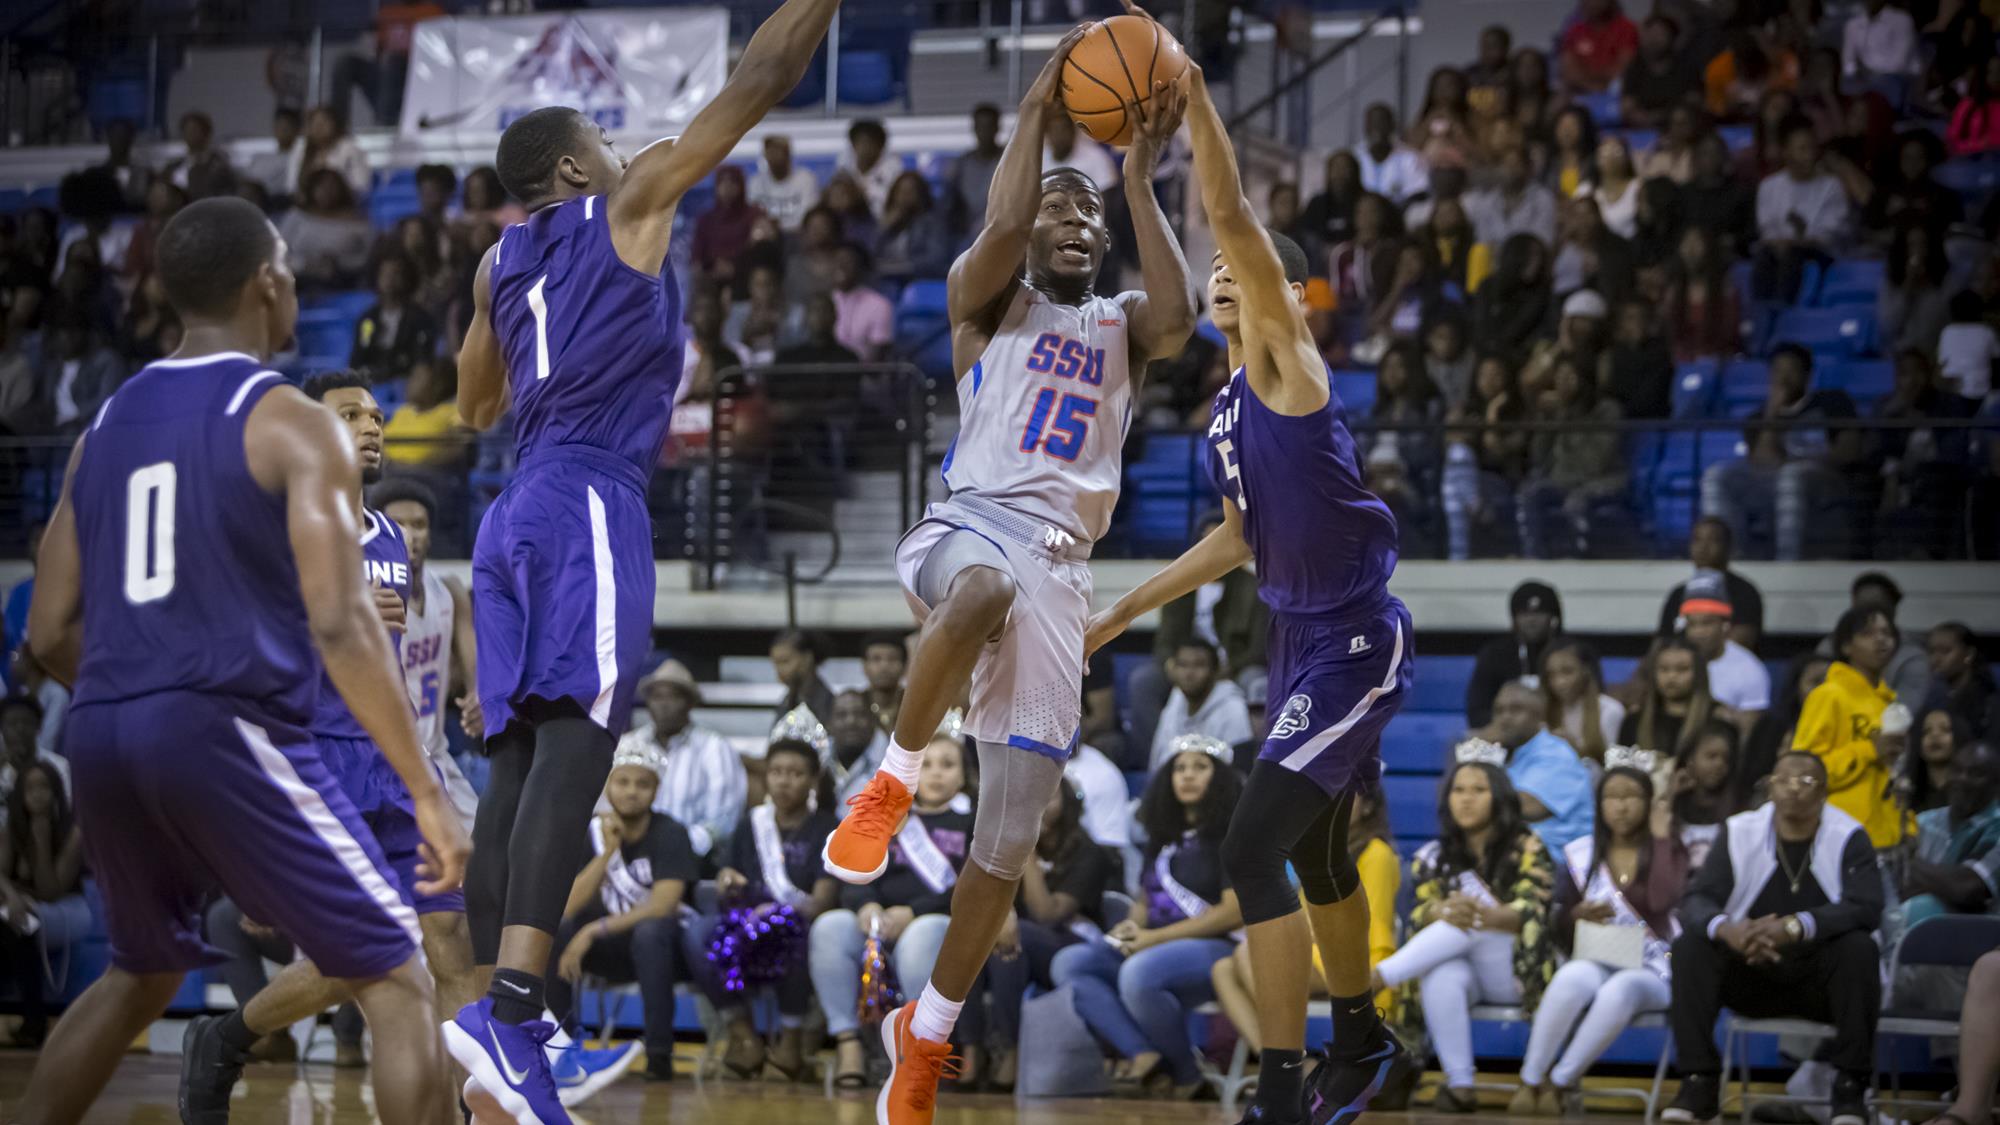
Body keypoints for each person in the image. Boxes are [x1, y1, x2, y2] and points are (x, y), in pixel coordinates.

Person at [445, 0, 844, 1113]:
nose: (628, 153)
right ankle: (517, 1020)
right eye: (608, 143)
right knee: (576, 750)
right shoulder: (624, 201)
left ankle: (500, 1027)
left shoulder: (496, 263)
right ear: (579, 163)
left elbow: (474, 406)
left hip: (512, 506)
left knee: (519, 766)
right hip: (585, 499)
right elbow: (760, 77)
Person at [13, 197, 466, 1124]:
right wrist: (427, 792)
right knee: (400, 975)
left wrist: (136, 698)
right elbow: (344, 625)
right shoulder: (289, 418)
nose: (295, 285)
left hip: (99, 722)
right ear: (267, 282)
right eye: (290, 273)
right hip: (221, 719)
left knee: (142, 972)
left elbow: (47, 628)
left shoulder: (101, 427)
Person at [815, 32, 1196, 1125]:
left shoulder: (1120, 324)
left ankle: (923, 1035)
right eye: (1056, 211)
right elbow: (997, 225)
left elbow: (1174, 321)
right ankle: (888, 778)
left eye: (1089, 219)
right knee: (973, 593)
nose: (1073, 225)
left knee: (1004, 842)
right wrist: (1038, 110)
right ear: (1027, 226)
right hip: (966, 525)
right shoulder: (984, 304)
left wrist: (1131, 176)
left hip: (1062, 573)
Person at [1080, 52, 1418, 1125]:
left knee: (1247, 846)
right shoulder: (1227, 409)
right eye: (1221, 269)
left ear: (1280, 290)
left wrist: (1191, 96)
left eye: (1244, 267)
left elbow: (1225, 208)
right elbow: (1237, 536)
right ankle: (1362, 1041)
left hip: (1355, 636)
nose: (1224, 273)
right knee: (1313, 850)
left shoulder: (1285, 360)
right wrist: (1124, 608)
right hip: (1292, 638)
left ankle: (1284, 1085)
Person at [180, 370, 482, 1119]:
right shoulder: (275, 520)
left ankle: (471, 1102)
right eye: (351, 414)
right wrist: (330, 611)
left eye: (377, 415)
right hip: (313, 755)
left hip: (392, 755)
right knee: (360, 955)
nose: (373, 426)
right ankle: (225, 1035)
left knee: (448, 934)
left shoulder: (384, 533)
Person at [1662, 753, 1883, 1125]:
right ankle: (1699, 1083)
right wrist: (1729, 930)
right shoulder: (1739, 832)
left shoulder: (1849, 836)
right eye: (1784, 780)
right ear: (1770, 787)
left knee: (1860, 947)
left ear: (1825, 792)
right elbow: (1696, 900)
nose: (1794, 789)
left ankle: (1849, 1089)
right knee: (1689, 947)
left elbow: (1866, 907)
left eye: (1806, 781)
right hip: (1750, 973)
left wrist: (1795, 927)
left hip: (1821, 986)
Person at [1048, 737, 1244, 1098]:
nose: (1187, 776)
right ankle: (1145, 1055)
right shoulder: (1163, 835)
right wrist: (1132, 927)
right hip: (1158, 944)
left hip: (1219, 950)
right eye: (1180, 768)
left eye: (1200, 768)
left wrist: (1154, 939)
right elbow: (1145, 899)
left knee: (1139, 973)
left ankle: (1187, 1074)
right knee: (1071, 963)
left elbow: (1233, 913)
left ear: (1220, 778)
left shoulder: (1233, 837)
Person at [1373, 753, 1555, 1113]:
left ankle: (1380, 977)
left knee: (1466, 921)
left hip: (1518, 970)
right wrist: (1441, 910)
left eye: (1478, 790)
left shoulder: (1529, 846)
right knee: (1442, 974)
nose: (1466, 799)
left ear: (1499, 796)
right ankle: (1460, 1085)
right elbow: (1422, 910)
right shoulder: (1435, 855)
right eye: (1458, 790)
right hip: (1466, 966)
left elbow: (1534, 912)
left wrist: (1477, 914)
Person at [1516, 752, 1688, 1113]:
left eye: (1630, 797)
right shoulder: (1583, 853)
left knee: (1619, 990)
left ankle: (1561, 1081)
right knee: (1570, 977)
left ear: (1647, 802)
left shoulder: (1669, 848)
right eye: (1611, 797)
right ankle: (1531, 1080)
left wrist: (1659, 839)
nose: (1620, 807)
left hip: (1656, 970)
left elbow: (1662, 899)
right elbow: (1560, 925)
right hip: (1602, 955)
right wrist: (1577, 914)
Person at [812, 731, 976, 1089]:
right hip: (879, 917)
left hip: (933, 920)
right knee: (829, 927)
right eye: (927, 765)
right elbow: (856, 868)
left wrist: (913, 913)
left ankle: (918, 1052)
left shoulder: (971, 822)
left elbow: (970, 889)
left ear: (965, 774)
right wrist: (865, 902)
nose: (935, 774)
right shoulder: (890, 816)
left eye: (947, 765)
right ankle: (849, 1043)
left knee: (922, 935)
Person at [544, 742, 694, 1088]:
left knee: (651, 932)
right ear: (608, 786)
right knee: (560, 929)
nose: (631, 792)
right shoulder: (593, 834)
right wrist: (607, 852)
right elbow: (568, 906)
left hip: (665, 949)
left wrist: (593, 931)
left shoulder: (671, 833)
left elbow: (663, 905)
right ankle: (563, 1048)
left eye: (642, 784)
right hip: (611, 950)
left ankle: (659, 1054)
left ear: (656, 790)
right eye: (622, 782)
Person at [1211, 787, 1400, 1053]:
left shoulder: (1377, 853)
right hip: (1312, 949)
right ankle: (1286, 1064)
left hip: (1349, 957)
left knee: (1248, 951)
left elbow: (1373, 922)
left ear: (1368, 806)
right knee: (1222, 970)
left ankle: (1285, 1061)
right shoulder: (1320, 849)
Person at [692, 737, 839, 1082]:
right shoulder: (751, 823)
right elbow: (727, 877)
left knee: (792, 932)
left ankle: (790, 1039)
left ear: (813, 780)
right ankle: (742, 1034)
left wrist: (776, 911)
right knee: (697, 932)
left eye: (795, 773)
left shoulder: (827, 827)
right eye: (776, 772)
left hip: (795, 924)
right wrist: (727, 879)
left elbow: (822, 901)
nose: (784, 781)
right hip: (744, 925)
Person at [977, 779, 1116, 1090]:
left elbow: (1047, 913)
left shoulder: (1091, 854)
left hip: (1073, 948)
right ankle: (970, 1048)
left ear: (1066, 801)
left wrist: (1025, 852)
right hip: (1018, 945)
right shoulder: (1002, 845)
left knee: (1018, 936)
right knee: (996, 943)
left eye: (1047, 796)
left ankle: (1010, 1050)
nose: (1035, 804)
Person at [370, 479, 482, 847]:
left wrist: (478, 695)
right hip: (384, 759)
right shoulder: (368, 593)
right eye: (398, 524)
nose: (410, 534)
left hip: (436, 754)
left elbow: (475, 672)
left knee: (482, 853)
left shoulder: (449, 591)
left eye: (419, 524)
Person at [1699, 344, 1862, 562]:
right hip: (1776, 486)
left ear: (1807, 374)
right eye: (1777, 371)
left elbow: (1848, 451)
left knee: (1791, 474)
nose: (1783, 378)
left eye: (1791, 370)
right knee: (1716, 475)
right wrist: (1773, 414)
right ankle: (1731, 558)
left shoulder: (1832, 402)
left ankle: (1788, 561)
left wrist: (1804, 461)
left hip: (1825, 482)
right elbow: (1763, 463)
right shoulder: (1759, 418)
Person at [1795, 605, 1906, 848]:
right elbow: (1803, 771)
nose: (1880, 639)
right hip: (1838, 836)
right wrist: (1869, 751)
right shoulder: (1828, 695)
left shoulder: (1890, 704)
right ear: (1846, 646)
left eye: (1886, 633)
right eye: (1868, 633)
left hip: (1886, 839)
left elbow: (1894, 775)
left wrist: (1906, 825)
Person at [619, 658, 744, 860]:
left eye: (673, 697)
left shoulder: (714, 747)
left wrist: (675, 847)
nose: (664, 705)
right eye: (657, 697)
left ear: (689, 703)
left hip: (693, 858)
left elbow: (722, 820)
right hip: (630, 852)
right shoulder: (629, 744)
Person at [0, 759, 87, 1049]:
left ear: (56, 792)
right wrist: (13, 896)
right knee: (15, 925)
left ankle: (34, 1022)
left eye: (44, 787)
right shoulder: (12, 827)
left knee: (20, 926)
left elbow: (50, 891)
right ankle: (32, 1022)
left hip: (67, 910)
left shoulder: (74, 832)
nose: (37, 794)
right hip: (23, 906)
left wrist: (42, 834)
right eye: (30, 788)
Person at [1900, 741, 2000, 927]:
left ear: (1996, 785)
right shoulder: (1924, 822)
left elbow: (1968, 888)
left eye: (1976, 774)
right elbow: (1897, 883)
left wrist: (1909, 863)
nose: (1963, 778)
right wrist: (1944, 883)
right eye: (1957, 770)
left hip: (1982, 936)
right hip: (1917, 933)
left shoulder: (1996, 826)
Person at [1490, 683, 1597, 851]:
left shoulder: (1556, 753)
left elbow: (1528, 807)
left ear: (1539, 715)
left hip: (1563, 863)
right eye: (1499, 711)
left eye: (1515, 709)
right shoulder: (1510, 753)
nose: (1505, 717)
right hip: (1522, 856)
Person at [1753, 121, 1852, 302]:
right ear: (1786, 152)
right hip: (1778, 249)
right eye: (1802, 149)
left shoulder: (1832, 186)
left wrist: (1800, 240)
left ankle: (1786, 313)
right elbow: (1766, 228)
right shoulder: (1769, 186)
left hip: (1821, 253)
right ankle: (1762, 314)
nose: (1809, 155)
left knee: (1793, 254)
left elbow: (1831, 232)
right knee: (1763, 255)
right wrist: (1782, 242)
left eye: (1812, 148)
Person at [1656, 519, 1765, 650]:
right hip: (1682, 668)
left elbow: (1739, 644)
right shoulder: (1678, 594)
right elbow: (1660, 646)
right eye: (1697, 540)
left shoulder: (1745, 592)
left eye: (1713, 540)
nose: (1703, 548)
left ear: (1728, 547)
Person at [1146, 638, 1254, 769]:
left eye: (1199, 665)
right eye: (1182, 665)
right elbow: (1158, 762)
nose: (1189, 673)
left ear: (1216, 671)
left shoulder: (1233, 709)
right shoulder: (1176, 699)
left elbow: (1238, 771)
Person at [1467, 581, 1563, 728]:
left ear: (1553, 617)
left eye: (1539, 613)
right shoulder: (1494, 653)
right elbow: (1478, 711)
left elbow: (1591, 705)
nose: (1532, 620)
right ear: (1514, 617)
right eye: (1524, 613)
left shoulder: (1571, 651)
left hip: (1561, 733)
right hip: (1506, 734)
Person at [1677, 572, 1770, 719]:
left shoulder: (1748, 668)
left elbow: (1750, 731)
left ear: (1725, 625)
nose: (1699, 632)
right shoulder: (1672, 663)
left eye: (1706, 623)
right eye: (1692, 624)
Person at [1623, 637, 1728, 758]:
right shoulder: (1634, 721)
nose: (1672, 676)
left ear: (1699, 673)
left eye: (1682, 669)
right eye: (1664, 669)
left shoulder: (1717, 719)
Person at [1674, 720, 1748, 868]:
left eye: (1726, 759)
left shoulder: (1740, 807)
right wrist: (1670, 795)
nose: (1719, 764)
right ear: (1690, 759)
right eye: (1711, 756)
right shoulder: (1673, 803)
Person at [1541, 638, 1624, 763]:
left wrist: (1575, 749)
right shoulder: (1542, 710)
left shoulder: (1611, 710)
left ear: (1586, 670)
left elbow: (1613, 766)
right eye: (1551, 675)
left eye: (1567, 672)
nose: (1559, 682)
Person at [1622, 15, 1704, 127]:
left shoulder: (1687, 67)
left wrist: (1659, 117)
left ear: (1672, 38)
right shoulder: (1635, 67)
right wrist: (1637, 116)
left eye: (1660, 34)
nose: (1653, 39)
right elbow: (1627, 104)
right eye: (1649, 34)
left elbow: (1694, 102)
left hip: (1678, 127)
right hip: (1642, 128)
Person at [691, 166, 764, 286]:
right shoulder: (705, 220)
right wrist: (711, 268)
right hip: (711, 276)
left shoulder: (754, 215)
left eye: (732, 181)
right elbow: (697, 257)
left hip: (744, 275)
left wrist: (734, 267)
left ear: (741, 186)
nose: (727, 186)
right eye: (723, 182)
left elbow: (756, 251)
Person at [944, 103, 1004, 242]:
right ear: (974, 128)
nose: (985, 132)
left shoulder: (1009, 161)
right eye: (981, 127)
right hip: (967, 234)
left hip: (1001, 230)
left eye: (989, 126)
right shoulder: (961, 165)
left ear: (997, 128)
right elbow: (949, 206)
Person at [1353, 103, 1430, 205]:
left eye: (1382, 122)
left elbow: (1418, 192)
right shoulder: (1355, 156)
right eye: (1372, 123)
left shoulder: (1411, 158)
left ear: (1393, 125)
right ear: (1365, 127)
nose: (1377, 127)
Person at [290, 105, 371, 201]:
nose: (319, 127)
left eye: (323, 122)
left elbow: (361, 186)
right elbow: (291, 187)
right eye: (314, 123)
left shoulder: (350, 148)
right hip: (307, 206)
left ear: (335, 124)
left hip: (344, 206)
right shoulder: (301, 149)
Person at [1926, 624, 1995, 735]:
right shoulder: (1934, 694)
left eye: (1945, 651)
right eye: (1932, 652)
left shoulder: (1984, 700)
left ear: (1969, 654)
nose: (1935, 660)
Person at [1559, 0, 1640, 92]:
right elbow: (1569, 71)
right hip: (1579, 91)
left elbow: (1624, 68)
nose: (1592, 3)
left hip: (1619, 93)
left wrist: (1594, 79)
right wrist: (1592, 85)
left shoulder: (1627, 28)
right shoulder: (1574, 31)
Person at [1906, 705, 1972, 814]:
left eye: (1945, 729)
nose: (1935, 735)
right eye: (1926, 731)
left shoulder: (1972, 794)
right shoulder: (1908, 796)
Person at [749, 135, 821, 233]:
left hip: (799, 234)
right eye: (770, 152)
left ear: (787, 154)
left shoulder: (805, 178)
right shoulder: (755, 182)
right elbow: (753, 216)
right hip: (767, 237)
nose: (773, 157)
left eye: (777, 151)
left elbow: (809, 215)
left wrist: (780, 226)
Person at [769, 628, 835, 725]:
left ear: (807, 659)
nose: (779, 670)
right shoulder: (787, 700)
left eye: (785, 661)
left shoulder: (827, 703)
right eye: (775, 664)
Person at [1841, 0, 1917, 84]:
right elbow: (1848, 59)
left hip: (1898, 77)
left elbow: (1900, 61)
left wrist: (1872, 74)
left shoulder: (1901, 20)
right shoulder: (1853, 24)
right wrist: (1854, 73)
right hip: (1865, 78)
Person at [838, 118, 901, 217]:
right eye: (860, 142)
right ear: (853, 144)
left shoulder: (893, 170)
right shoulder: (845, 168)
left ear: (880, 146)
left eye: (868, 142)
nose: (864, 148)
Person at [861, 633, 907, 734]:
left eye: (892, 658)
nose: (884, 666)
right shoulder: (855, 704)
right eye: (876, 659)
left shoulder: (914, 703)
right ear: (864, 666)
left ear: (904, 666)